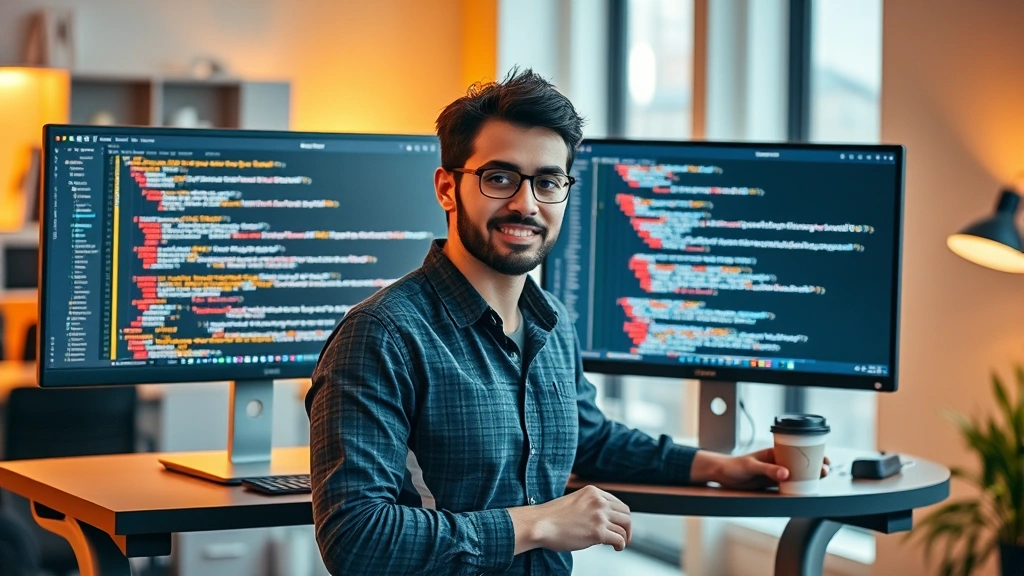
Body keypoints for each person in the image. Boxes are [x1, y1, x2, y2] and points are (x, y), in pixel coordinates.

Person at [305, 68, 828, 576]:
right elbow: (356, 539)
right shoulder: (382, 335)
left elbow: (590, 440)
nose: (525, 203)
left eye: (548, 181)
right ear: (447, 188)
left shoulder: (551, 322)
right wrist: (538, 524)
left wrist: (720, 467)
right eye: (499, 177)